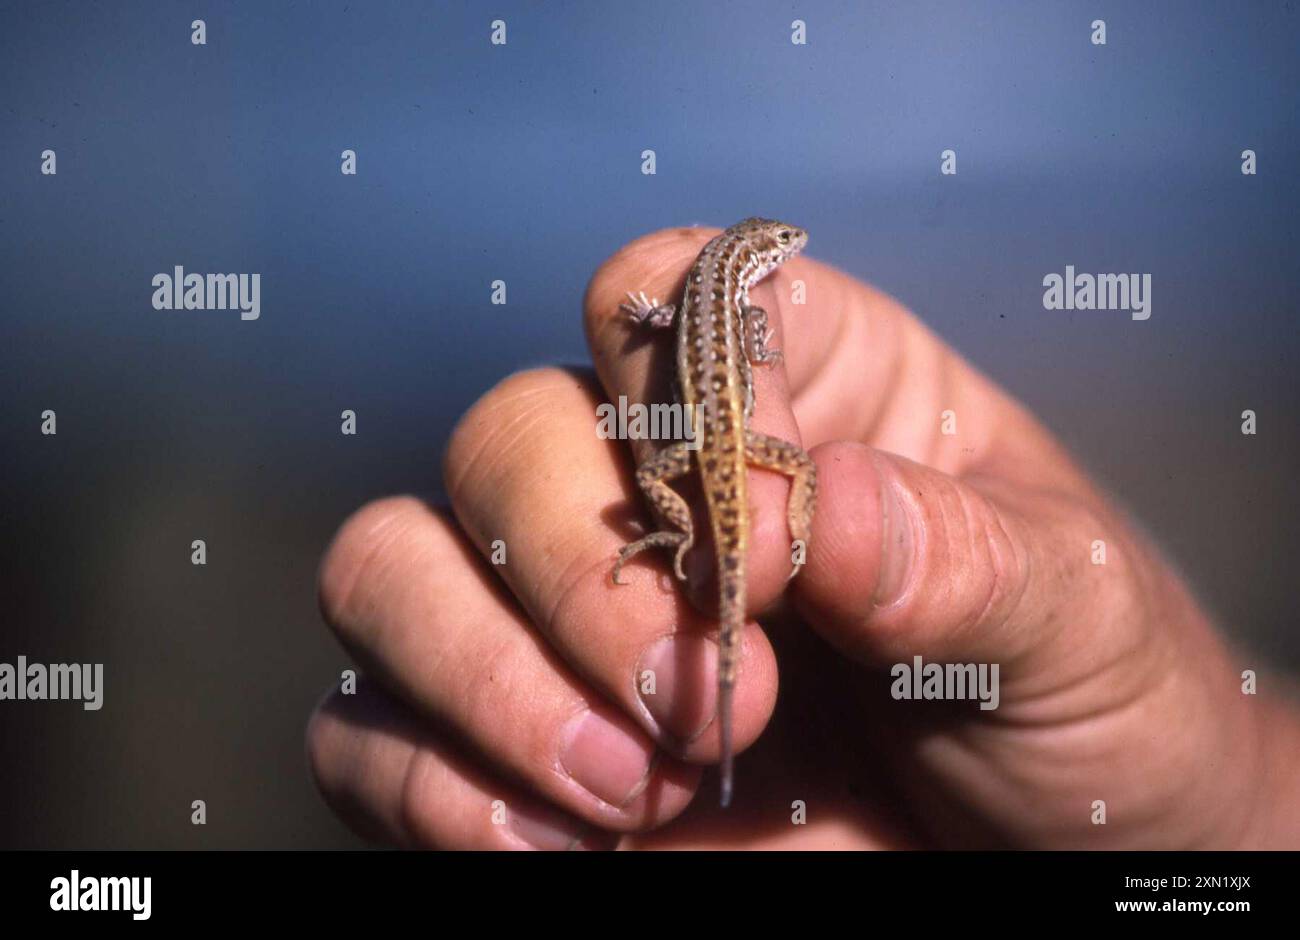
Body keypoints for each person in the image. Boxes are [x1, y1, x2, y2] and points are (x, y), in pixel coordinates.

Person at [305, 226, 1300, 849]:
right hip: (741, 439)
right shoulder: (735, 304)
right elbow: (702, 323)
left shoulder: (702, 297)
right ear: (758, 264)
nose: (788, 254)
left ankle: (674, 547)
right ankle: (703, 561)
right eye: (778, 248)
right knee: (756, 498)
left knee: (670, 491)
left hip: (699, 446)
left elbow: (650, 310)